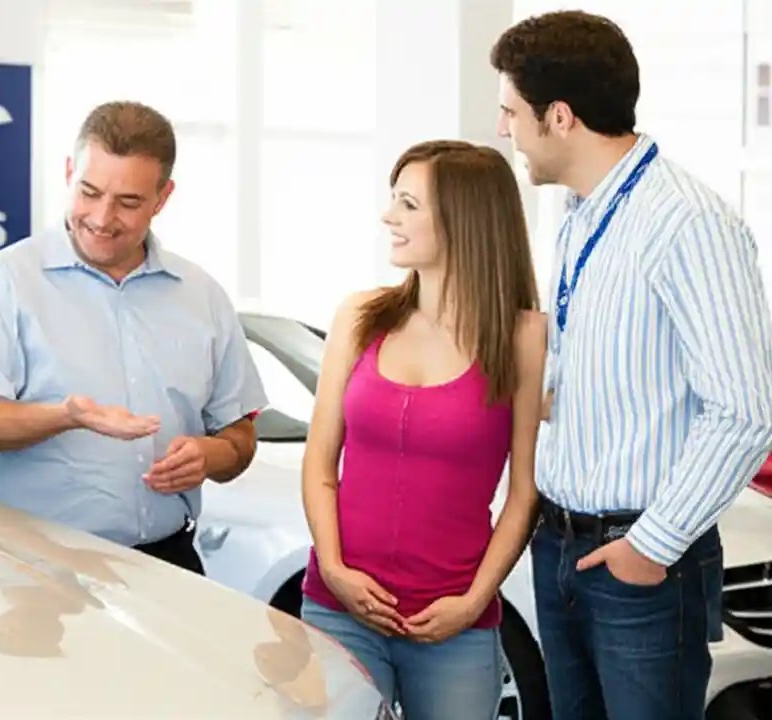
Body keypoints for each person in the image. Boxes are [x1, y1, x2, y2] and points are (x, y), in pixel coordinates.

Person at [491, 10, 772, 720]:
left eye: (511, 112)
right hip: (560, 546)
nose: (505, 131)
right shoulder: (581, 215)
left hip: (642, 561)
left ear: (559, 117)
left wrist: (652, 544)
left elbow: (745, 412)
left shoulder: (689, 223)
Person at [0, 100, 267, 575]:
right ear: (69, 172)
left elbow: (240, 437)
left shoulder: (203, 296)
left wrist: (211, 455)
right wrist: (66, 415)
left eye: (128, 202)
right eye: (89, 191)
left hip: (168, 564)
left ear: (162, 198)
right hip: (33, 567)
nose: (102, 216)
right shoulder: (7, 280)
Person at [299, 139, 547, 718]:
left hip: (454, 625)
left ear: (464, 220)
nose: (390, 217)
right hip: (340, 608)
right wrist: (335, 571)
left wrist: (474, 602)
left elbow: (523, 492)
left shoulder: (524, 336)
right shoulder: (360, 317)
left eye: (408, 204)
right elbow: (319, 464)